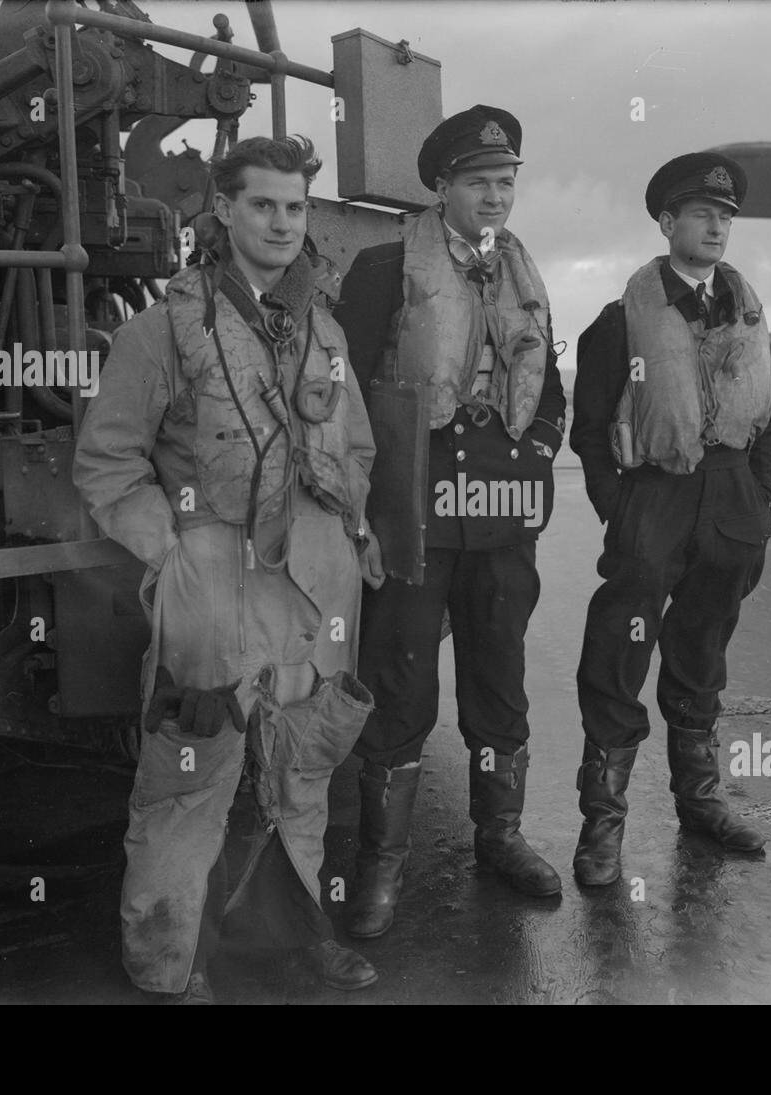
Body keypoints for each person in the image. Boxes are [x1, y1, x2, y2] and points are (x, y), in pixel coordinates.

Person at [73, 136, 386, 1004]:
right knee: (190, 773)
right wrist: (171, 549)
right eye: (265, 205)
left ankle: (287, 940)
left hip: (315, 586)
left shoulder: (324, 329)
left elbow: (355, 443)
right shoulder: (161, 331)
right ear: (224, 210)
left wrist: (347, 521)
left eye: (296, 207)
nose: (284, 223)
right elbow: (106, 463)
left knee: (305, 766)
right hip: (213, 582)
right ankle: (170, 960)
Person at [333, 105, 567, 938]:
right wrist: (361, 512)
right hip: (415, 519)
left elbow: (550, 394)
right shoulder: (383, 267)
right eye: (479, 182)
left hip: (502, 527)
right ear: (442, 187)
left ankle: (499, 836)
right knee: (398, 689)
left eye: (506, 182)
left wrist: (535, 460)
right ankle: (380, 864)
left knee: (499, 686)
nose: (496, 196)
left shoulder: (526, 277)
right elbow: (347, 394)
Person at [568, 151, 771, 885]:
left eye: (726, 217)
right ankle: (603, 823)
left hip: (729, 505)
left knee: (702, 654)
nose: (717, 226)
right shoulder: (620, 319)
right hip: (653, 497)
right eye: (702, 214)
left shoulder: (748, 311)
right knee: (618, 658)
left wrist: (759, 505)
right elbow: (590, 429)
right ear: (667, 223)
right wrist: (619, 509)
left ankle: (701, 802)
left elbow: (767, 421)